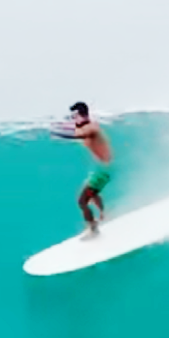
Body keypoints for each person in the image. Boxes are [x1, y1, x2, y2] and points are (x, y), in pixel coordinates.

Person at [55, 102, 114, 238]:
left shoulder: (90, 128)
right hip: (102, 168)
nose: (73, 120)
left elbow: (79, 134)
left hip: (102, 170)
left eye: (74, 116)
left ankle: (93, 230)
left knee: (82, 201)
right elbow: (78, 131)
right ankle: (105, 215)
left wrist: (58, 132)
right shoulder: (88, 126)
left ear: (82, 115)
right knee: (92, 193)